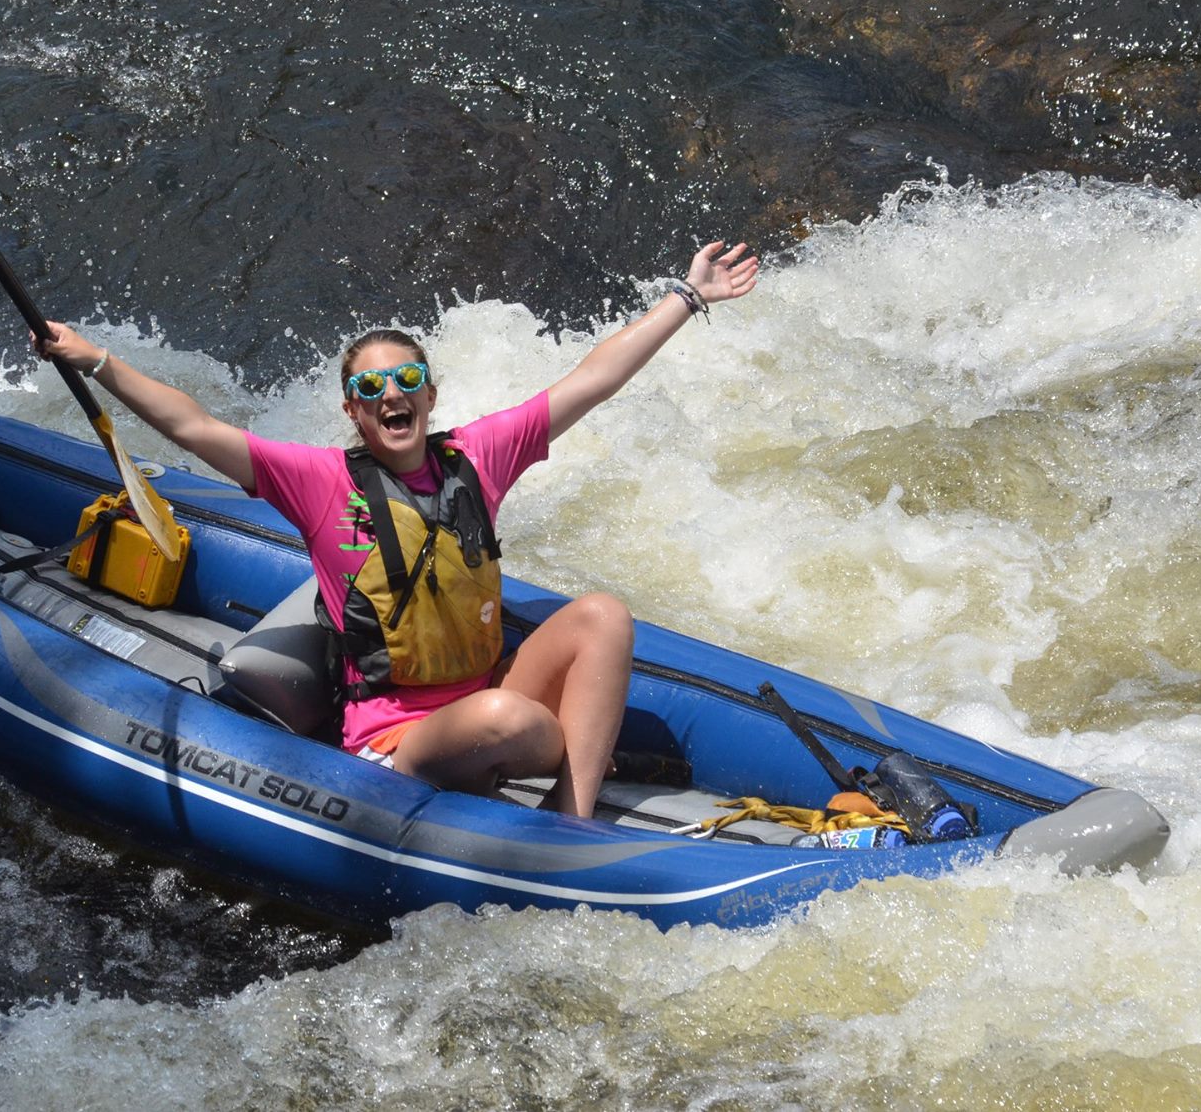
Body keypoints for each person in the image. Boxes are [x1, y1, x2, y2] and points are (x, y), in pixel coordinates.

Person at [38, 242, 759, 817]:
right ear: (353, 412)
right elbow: (193, 426)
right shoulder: (317, 480)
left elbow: (592, 379)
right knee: (511, 717)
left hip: (485, 695)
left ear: (430, 396)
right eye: (371, 389)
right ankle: (544, 794)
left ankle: (570, 825)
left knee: (603, 616)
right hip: (396, 737)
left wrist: (687, 297)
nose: (392, 396)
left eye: (407, 381)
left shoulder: (479, 455)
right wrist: (96, 360)